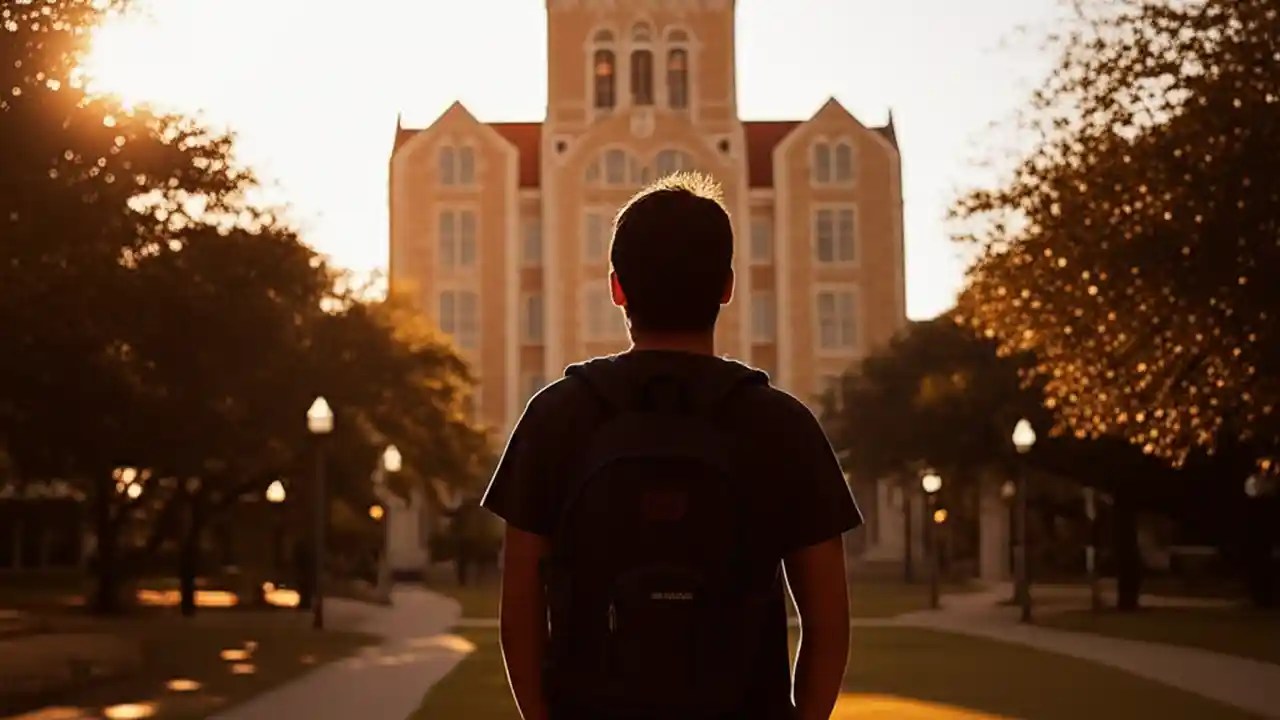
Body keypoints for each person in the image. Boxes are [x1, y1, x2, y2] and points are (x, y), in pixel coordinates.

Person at [483, 172, 861, 720]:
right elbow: (828, 623)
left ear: (617, 288)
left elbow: (518, 610)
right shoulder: (782, 424)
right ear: (728, 287)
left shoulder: (557, 415)